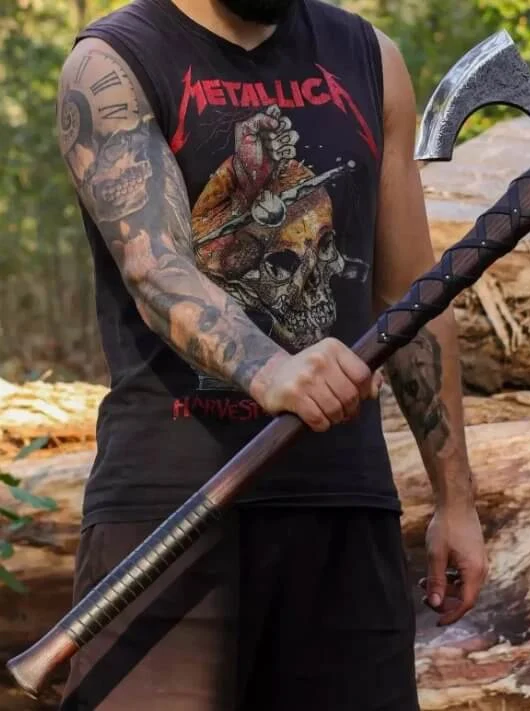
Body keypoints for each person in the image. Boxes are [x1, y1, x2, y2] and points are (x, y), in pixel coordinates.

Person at [55, 0, 488, 708]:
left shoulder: (370, 60)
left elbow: (409, 294)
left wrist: (456, 499)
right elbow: (154, 267)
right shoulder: (113, 63)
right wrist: (269, 368)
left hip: (344, 512)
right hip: (168, 514)